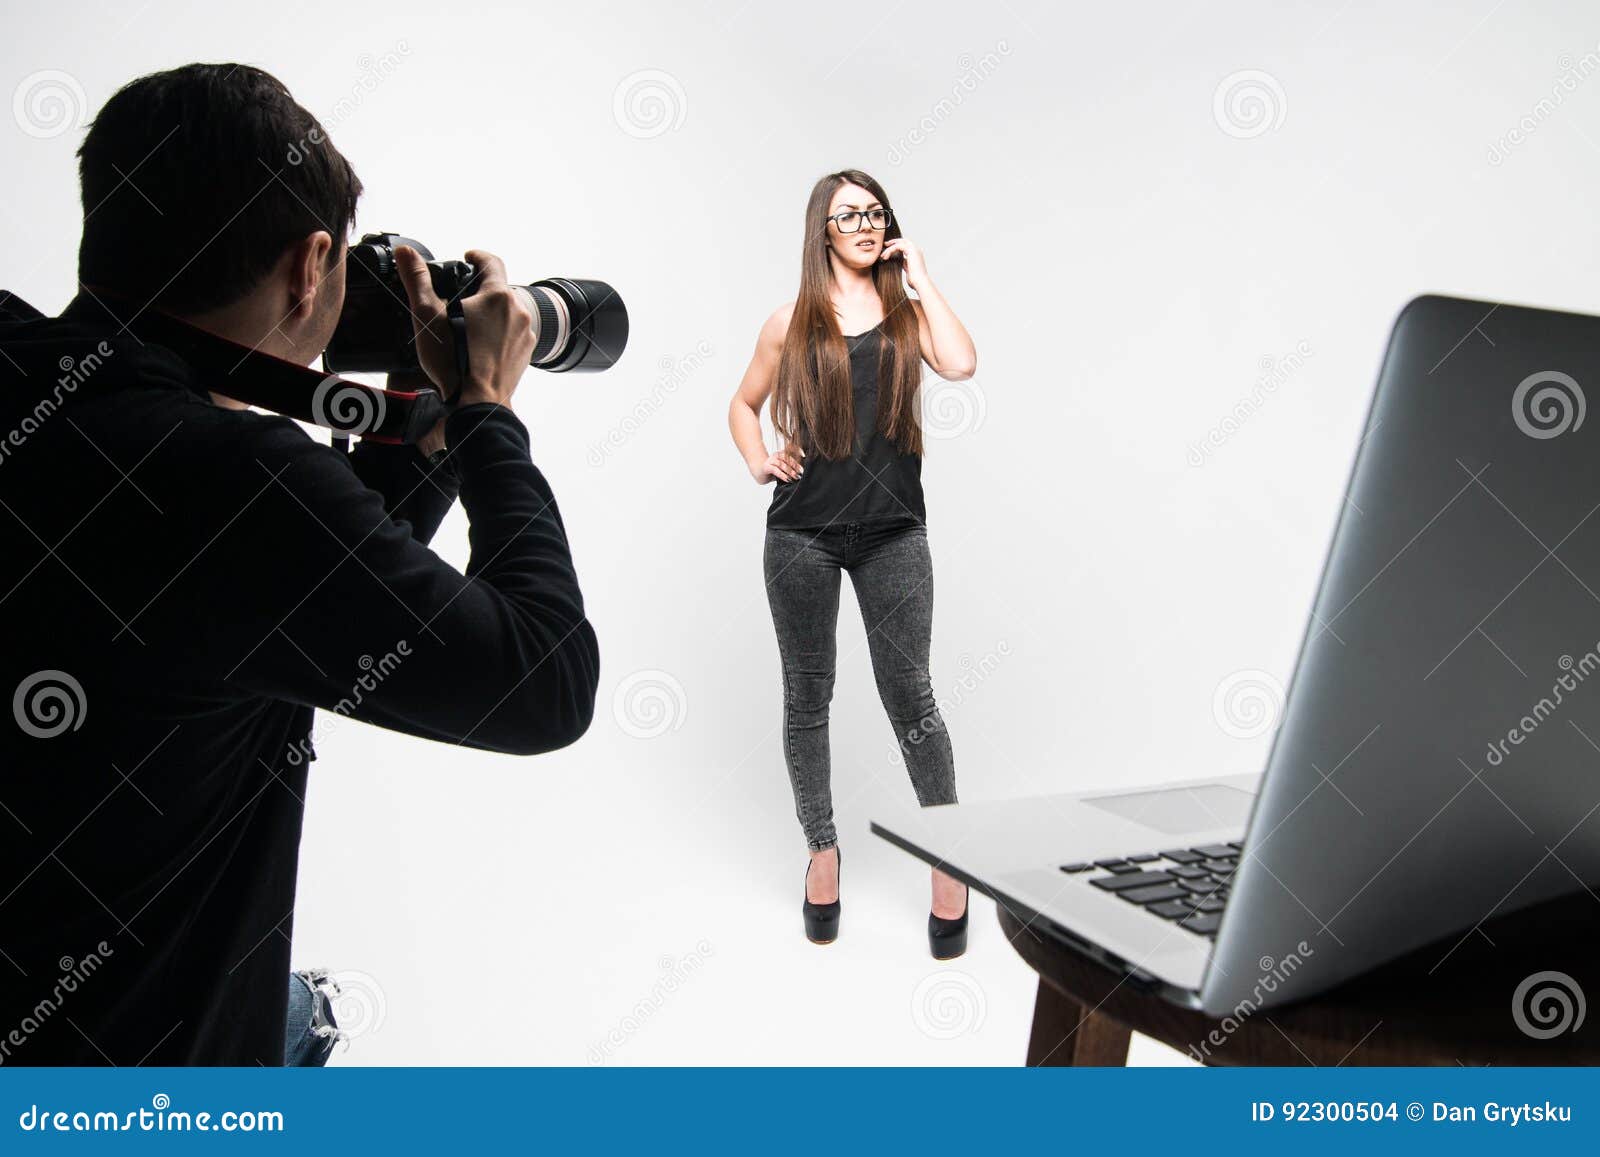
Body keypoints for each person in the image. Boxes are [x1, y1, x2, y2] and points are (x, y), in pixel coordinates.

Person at [0, 64, 599, 1065]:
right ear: (311, 262)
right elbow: (543, 680)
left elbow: (314, 592)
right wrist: (486, 409)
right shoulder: (237, 481)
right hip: (110, 1078)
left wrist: (413, 410)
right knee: (293, 1020)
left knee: (281, 1002)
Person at [726, 169, 978, 957]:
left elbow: (963, 363)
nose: (865, 225)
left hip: (893, 532)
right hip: (801, 534)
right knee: (809, 698)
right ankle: (823, 853)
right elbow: (741, 404)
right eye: (849, 216)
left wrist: (925, 279)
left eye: (874, 212)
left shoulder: (907, 316)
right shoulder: (788, 322)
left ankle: (948, 862)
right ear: (823, 232)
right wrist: (760, 458)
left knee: (914, 699)